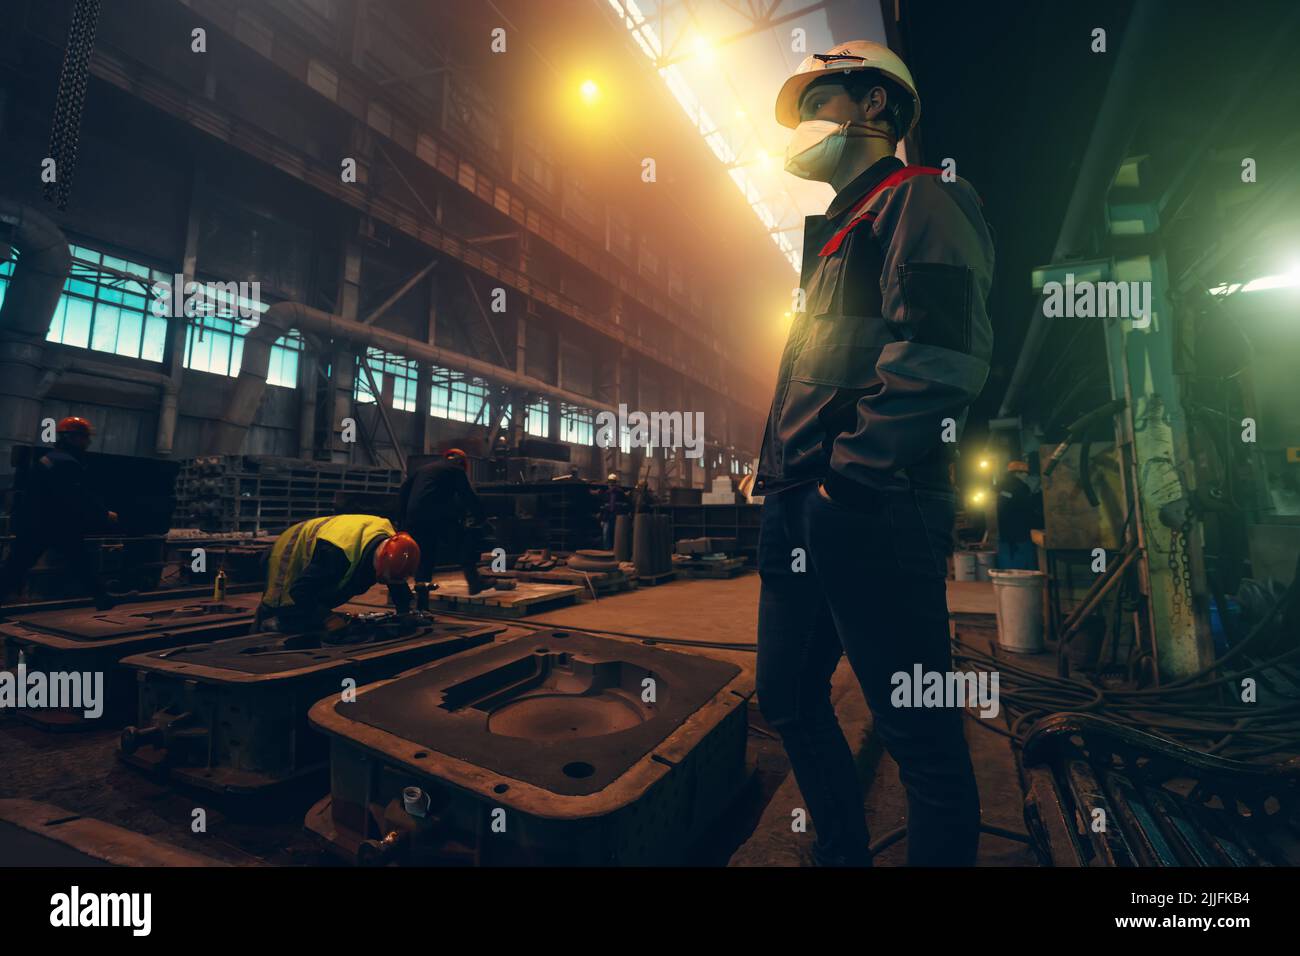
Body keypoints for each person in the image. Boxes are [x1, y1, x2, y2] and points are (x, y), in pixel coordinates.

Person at [753, 41, 995, 866]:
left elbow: (941, 357)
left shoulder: (922, 202)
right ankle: (841, 851)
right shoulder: (835, 236)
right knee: (784, 696)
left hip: (870, 501)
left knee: (917, 731)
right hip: (798, 500)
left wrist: (848, 483)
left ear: (875, 108)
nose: (807, 122)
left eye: (821, 100)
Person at [0, 416, 119, 610]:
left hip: (36, 524)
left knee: (17, 567)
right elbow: (78, 496)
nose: (88, 442)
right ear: (72, 438)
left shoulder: (48, 459)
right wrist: (103, 514)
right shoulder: (67, 463)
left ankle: (102, 597)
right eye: (84, 438)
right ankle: (102, 597)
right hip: (55, 525)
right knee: (79, 562)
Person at [256, 515, 418, 633]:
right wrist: (327, 618)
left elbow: (395, 577)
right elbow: (300, 591)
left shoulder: (392, 545)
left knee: (321, 601)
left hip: (325, 545)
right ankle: (266, 625)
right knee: (287, 608)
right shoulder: (336, 555)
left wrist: (404, 611)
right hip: (288, 550)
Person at [396, 448, 488, 594]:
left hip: (414, 519)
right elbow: (468, 496)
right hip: (436, 517)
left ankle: (422, 602)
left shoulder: (423, 469)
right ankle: (474, 582)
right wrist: (481, 518)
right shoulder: (456, 470)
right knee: (464, 542)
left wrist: (402, 520)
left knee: (425, 557)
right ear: (461, 463)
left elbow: (403, 492)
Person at [996, 461, 1042, 569]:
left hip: (1005, 535)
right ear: (1017, 473)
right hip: (1021, 535)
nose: (1026, 476)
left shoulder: (1001, 486)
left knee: (1009, 566)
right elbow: (1026, 507)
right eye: (1025, 473)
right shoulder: (1021, 487)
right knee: (1023, 568)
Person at [597, 473, 629, 550]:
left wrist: (622, 513)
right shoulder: (606, 494)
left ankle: (616, 550)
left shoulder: (620, 493)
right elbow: (603, 507)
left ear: (615, 483)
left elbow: (626, 505)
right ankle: (607, 549)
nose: (611, 484)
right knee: (605, 533)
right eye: (610, 483)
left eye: (612, 483)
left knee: (616, 534)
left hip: (617, 516)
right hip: (607, 517)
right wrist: (601, 519)